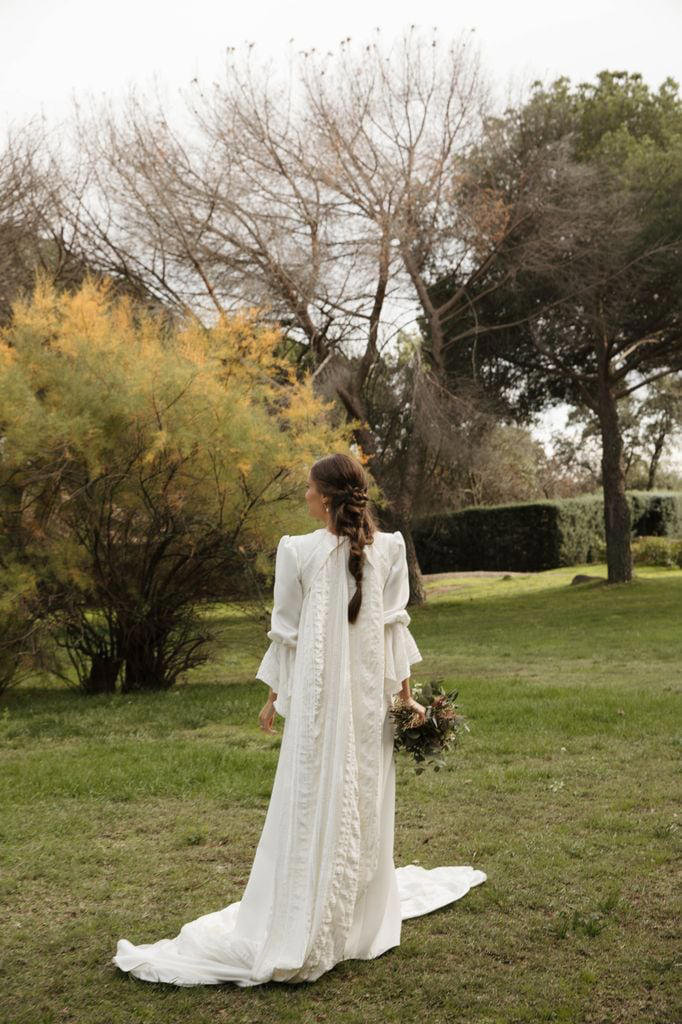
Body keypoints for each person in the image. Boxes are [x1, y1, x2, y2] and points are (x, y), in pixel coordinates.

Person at [111, 453, 486, 986]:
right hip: (341, 705)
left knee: (336, 798)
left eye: (309, 489)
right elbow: (343, 633)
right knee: (342, 797)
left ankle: (340, 914)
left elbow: (375, 628)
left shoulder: (364, 550)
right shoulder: (315, 551)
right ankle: (338, 914)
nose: (305, 497)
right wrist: (398, 696)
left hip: (341, 706)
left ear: (328, 497)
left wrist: (401, 700)